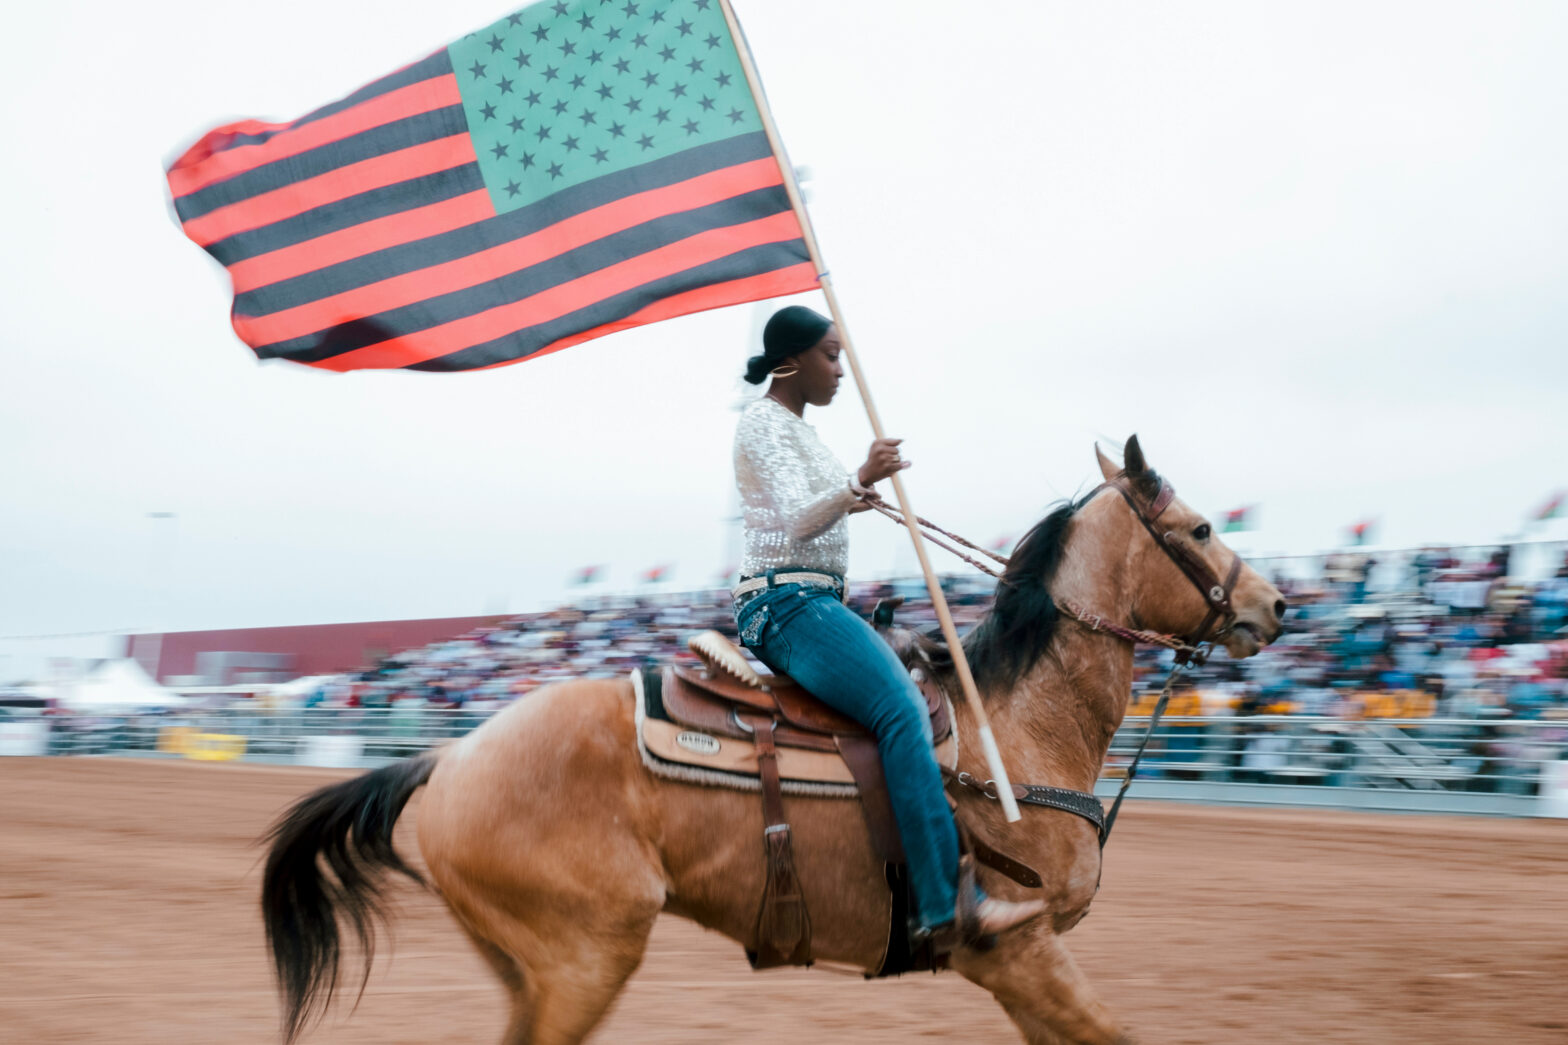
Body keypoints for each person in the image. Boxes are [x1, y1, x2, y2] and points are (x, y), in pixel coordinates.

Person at [729, 304, 1043, 945]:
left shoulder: (802, 432)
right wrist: (859, 479)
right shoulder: (763, 423)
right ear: (789, 362)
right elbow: (797, 519)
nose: (841, 369)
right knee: (900, 710)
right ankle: (944, 906)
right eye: (830, 354)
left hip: (812, 599)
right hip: (786, 604)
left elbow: (820, 507)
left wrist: (857, 492)